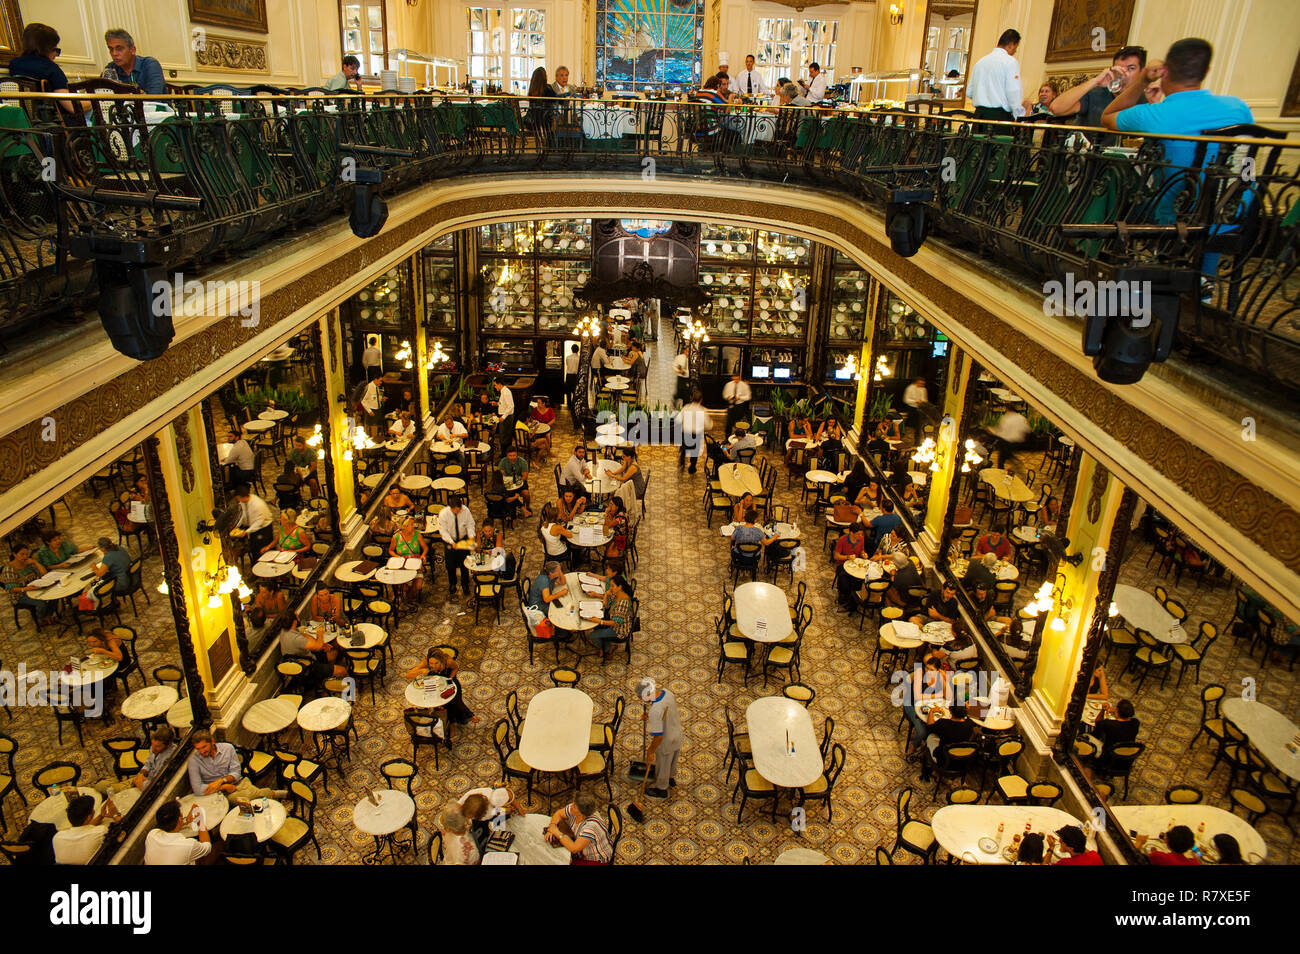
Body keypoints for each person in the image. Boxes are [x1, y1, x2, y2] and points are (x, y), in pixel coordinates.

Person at [1049, 45, 1147, 130]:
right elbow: (1056, 108)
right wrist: (1095, 81)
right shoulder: (1096, 94)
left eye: (1131, 68)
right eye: (1119, 68)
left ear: (1142, 72)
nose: (1123, 73)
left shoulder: (1144, 100)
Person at [7, 23, 87, 118]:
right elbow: (72, 107)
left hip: (27, 123)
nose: (56, 54)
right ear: (47, 47)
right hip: (55, 125)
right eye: (54, 48)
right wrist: (91, 102)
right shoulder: (50, 68)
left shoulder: (14, 64)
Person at [187, 729, 285, 803]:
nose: (201, 752)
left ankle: (269, 795)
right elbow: (197, 789)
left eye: (204, 747)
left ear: (212, 742)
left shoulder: (227, 748)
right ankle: (274, 794)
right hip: (218, 793)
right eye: (198, 749)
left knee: (249, 796)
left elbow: (236, 773)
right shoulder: (194, 762)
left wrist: (222, 781)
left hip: (239, 783)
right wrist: (223, 787)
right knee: (246, 797)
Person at [635, 676, 682, 797]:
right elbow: (663, 712)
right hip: (677, 733)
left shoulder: (655, 710)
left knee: (663, 765)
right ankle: (671, 778)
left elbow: (658, 737)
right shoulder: (667, 692)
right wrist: (650, 717)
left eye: (641, 698)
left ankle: (661, 789)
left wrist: (650, 751)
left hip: (666, 740)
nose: (641, 700)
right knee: (673, 760)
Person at [406, 646, 475, 727]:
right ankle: (451, 722)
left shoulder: (448, 662)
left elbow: (455, 668)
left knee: (455, 700)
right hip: (435, 684)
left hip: (449, 681)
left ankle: (464, 717)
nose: (433, 666)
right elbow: (408, 675)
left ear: (441, 661)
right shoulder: (425, 663)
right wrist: (421, 671)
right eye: (431, 663)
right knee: (443, 705)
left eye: (436, 663)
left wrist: (451, 679)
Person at [968, 29, 1024, 123]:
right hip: (999, 118)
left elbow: (969, 92)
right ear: (1011, 45)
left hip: (979, 117)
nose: (1015, 51)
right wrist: (1019, 117)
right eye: (1015, 47)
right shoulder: (1010, 62)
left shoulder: (980, 62)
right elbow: (1013, 93)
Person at [278, 611, 346, 685]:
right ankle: (326, 682)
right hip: (307, 667)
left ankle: (325, 677)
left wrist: (322, 644)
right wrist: (320, 634)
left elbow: (306, 637)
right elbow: (318, 647)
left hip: (300, 659)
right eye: (297, 617)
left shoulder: (284, 631)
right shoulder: (296, 638)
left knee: (334, 653)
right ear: (294, 622)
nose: (299, 618)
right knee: (342, 671)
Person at [51, 792, 120, 865]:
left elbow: (82, 829)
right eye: (93, 810)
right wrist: (115, 814)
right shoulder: (100, 832)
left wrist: (101, 816)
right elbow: (122, 833)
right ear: (88, 817)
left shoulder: (57, 837)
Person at [547, 792, 613, 864]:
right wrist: (553, 825)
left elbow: (574, 848)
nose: (571, 806)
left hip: (596, 859)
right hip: (580, 848)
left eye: (574, 806)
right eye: (573, 803)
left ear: (581, 812)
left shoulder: (590, 826)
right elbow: (559, 813)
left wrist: (556, 832)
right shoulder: (575, 809)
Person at [144, 801, 212, 865]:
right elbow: (207, 848)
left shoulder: (152, 835)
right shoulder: (188, 845)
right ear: (179, 819)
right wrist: (200, 822)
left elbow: (171, 829)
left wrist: (185, 820)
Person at [582, 573, 632, 659]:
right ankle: (606, 645)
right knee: (596, 627)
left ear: (620, 587)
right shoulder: (617, 594)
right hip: (613, 622)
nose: (610, 588)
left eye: (612, 586)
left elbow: (615, 623)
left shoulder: (623, 603)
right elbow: (607, 605)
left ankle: (608, 648)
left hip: (619, 631)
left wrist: (600, 621)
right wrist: (606, 594)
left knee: (592, 635)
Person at [921, 704, 975, 781]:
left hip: (944, 760)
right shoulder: (970, 723)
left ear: (950, 710)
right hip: (961, 760)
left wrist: (931, 712)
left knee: (931, 736)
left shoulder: (943, 723)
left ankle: (933, 768)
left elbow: (929, 727)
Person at [101, 28, 164, 93]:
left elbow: (155, 96)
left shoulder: (150, 65)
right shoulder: (110, 69)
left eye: (119, 49)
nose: (114, 54)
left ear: (132, 50)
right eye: (111, 49)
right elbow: (100, 95)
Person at [438, 496, 475, 599]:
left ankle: (465, 584)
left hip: (463, 539)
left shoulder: (465, 511)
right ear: (450, 508)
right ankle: (452, 583)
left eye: (458, 510)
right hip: (449, 541)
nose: (457, 512)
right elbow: (443, 531)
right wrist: (451, 541)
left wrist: (471, 537)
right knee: (450, 564)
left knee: (465, 564)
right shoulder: (443, 514)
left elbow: (470, 525)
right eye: (455, 510)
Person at [389, 515, 428, 601]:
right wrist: (398, 558)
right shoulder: (396, 537)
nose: (413, 526)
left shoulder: (417, 535)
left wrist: (423, 555)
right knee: (400, 586)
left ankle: (410, 594)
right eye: (411, 524)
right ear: (404, 527)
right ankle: (408, 592)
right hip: (402, 563)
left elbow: (425, 548)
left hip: (415, 562)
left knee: (418, 586)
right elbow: (391, 551)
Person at [1092, 698, 1140, 763]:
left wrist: (1103, 709)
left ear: (1117, 710)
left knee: (1089, 735)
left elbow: (1097, 723)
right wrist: (1113, 710)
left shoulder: (1109, 724)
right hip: (1125, 757)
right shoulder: (1135, 723)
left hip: (1108, 758)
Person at [232, 485, 274, 555]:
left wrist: (246, 532)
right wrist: (237, 525)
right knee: (254, 549)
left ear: (240, 497)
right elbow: (243, 514)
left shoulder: (258, 504)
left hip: (263, 529)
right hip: (252, 528)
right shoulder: (242, 502)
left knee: (263, 551)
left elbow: (259, 521)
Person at [678, 389, 709, 473]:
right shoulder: (702, 410)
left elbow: (678, 419)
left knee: (684, 448)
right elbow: (707, 424)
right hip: (696, 434)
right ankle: (692, 467)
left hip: (685, 433)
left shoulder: (686, 408)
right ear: (701, 400)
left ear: (691, 398)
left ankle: (682, 461)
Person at [497, 446, 532, 517]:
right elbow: (500, 475)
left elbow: (524, 477)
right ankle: (516, 509)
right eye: (510, 456)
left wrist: (517, 482)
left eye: (514, 455)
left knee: (526, 494)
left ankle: (527, 507)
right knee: (509, 494)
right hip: (508, 483)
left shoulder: (522, 462)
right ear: (507, 455)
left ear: (517, 454)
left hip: (520, 482)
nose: (512, 457)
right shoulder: (503, 461)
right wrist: (509, 482)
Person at [493, 379, 516, 452]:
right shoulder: (503, 392)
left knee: (505, 436)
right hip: (504, 416)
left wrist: (503, 417)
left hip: (507, 417)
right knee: (503, 436)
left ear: (499, 384)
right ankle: (504, 453)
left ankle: (505, 454)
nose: (495, 387)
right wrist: (497, 404)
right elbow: (504, 404)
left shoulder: (506, 392)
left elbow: (511, 406)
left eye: (495, 385)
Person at [360, 371, 384, 437]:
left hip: (377, 408)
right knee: (371, 427)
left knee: (377, 426)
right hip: (371, 410)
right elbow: (363, 401)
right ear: (375, 379)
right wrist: (369, 411)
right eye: (380, 381)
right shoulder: (369, 387)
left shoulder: (377, 387)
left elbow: (375, 397)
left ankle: (376, 438)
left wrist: (381, 398)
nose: (381, 382)